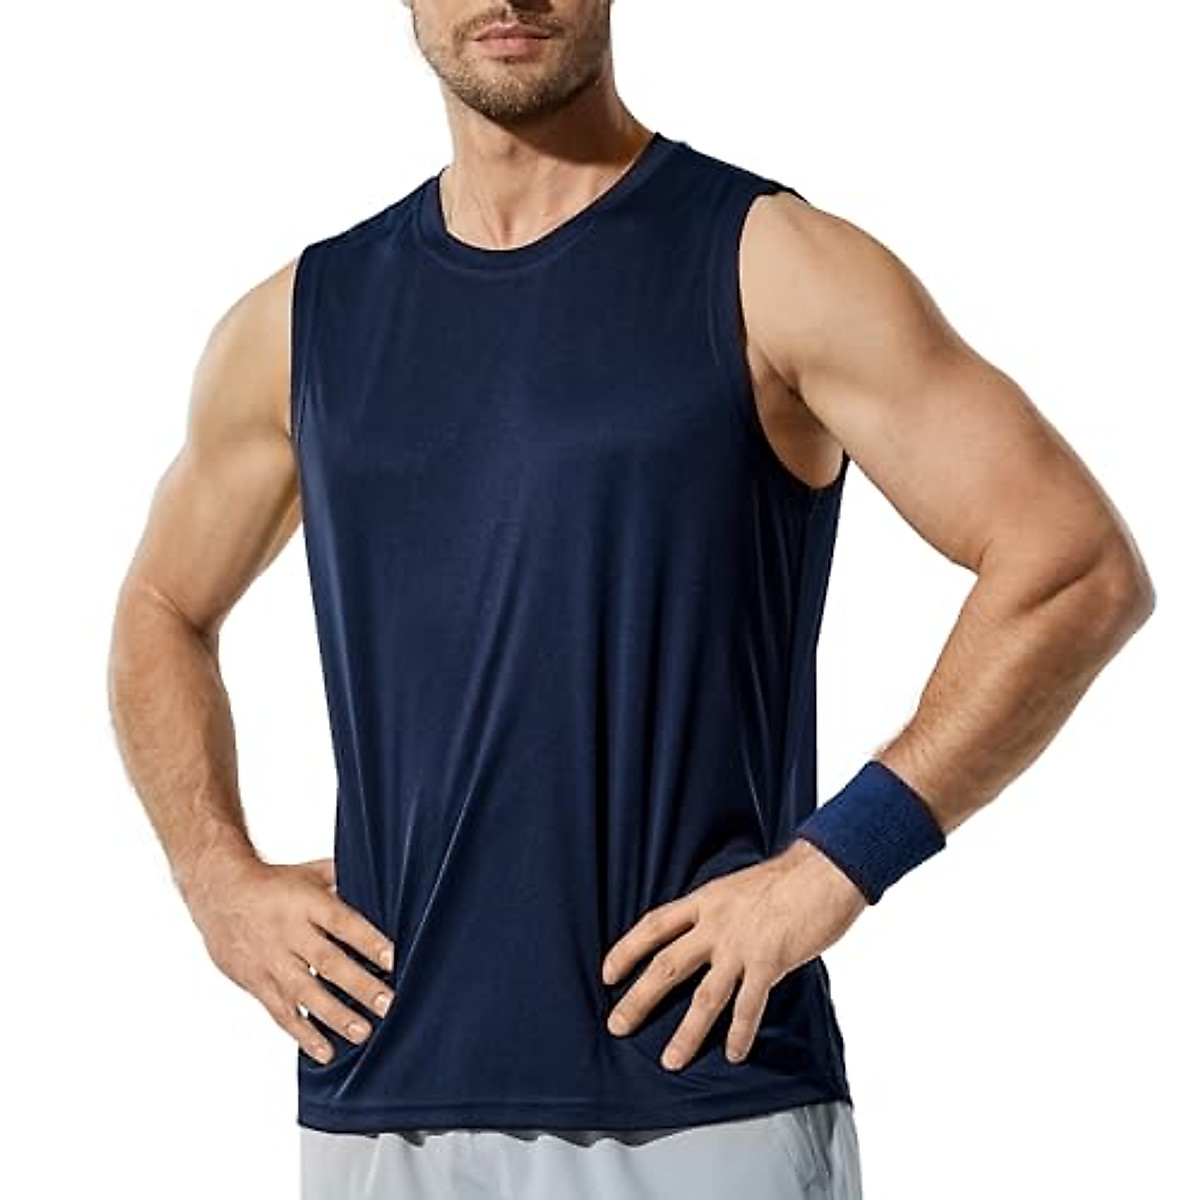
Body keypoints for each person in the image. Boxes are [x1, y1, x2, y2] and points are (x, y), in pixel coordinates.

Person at [106, 2, 1156, 1197]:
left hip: (698, 1094)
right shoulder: (302, 321)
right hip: (377, 1101)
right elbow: (160, 607)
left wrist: (837, 863)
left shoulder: (771, 265)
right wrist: (215, 878)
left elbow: (1073, 565)